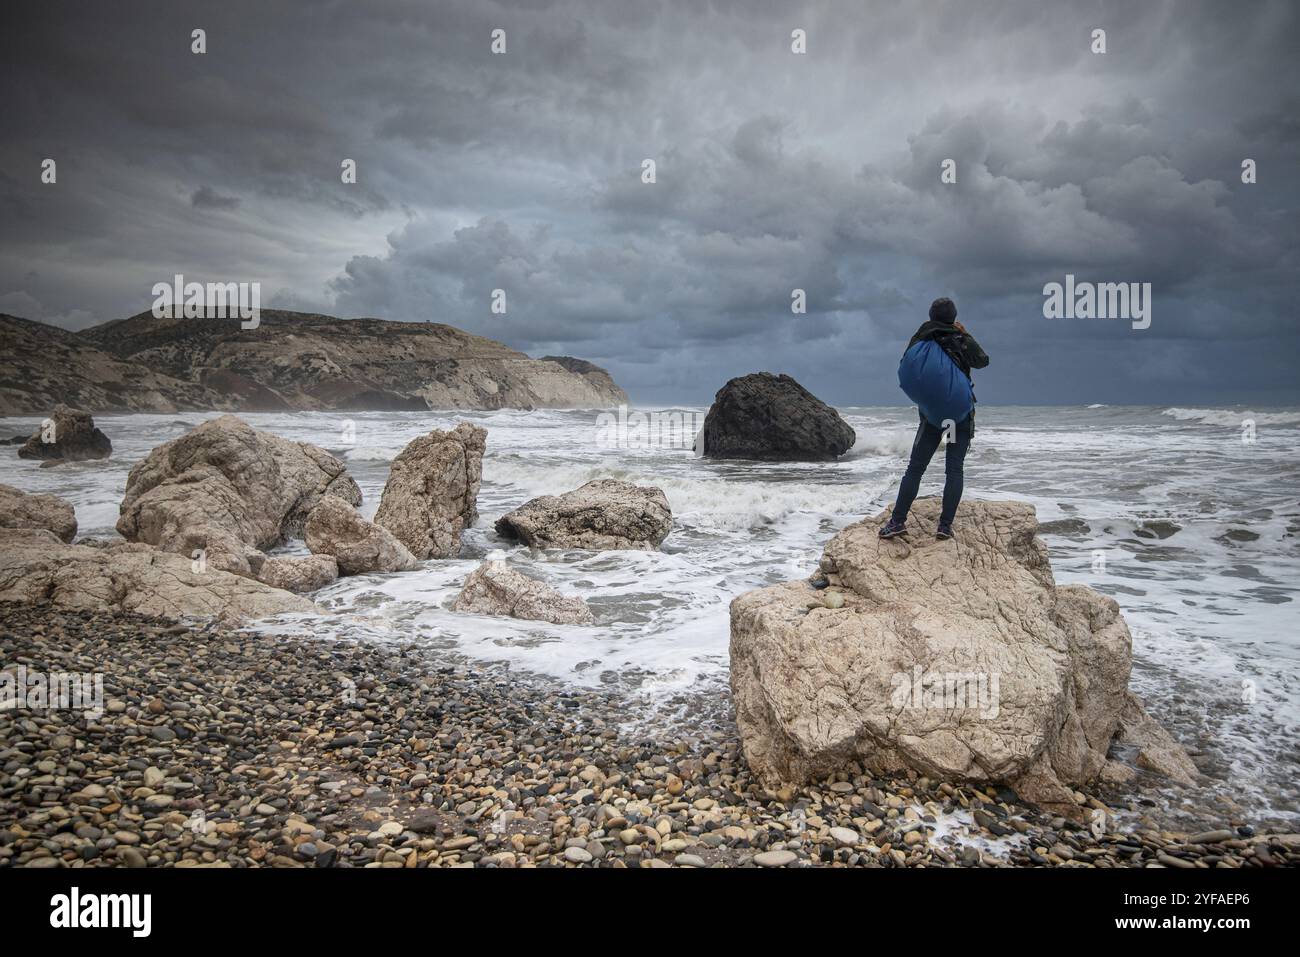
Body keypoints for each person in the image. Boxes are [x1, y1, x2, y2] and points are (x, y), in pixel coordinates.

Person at [879, 297, 989, 541]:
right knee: (954, 470)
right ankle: (944, 526)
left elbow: (906, 364)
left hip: (932, 418)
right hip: (959, 417)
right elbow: (982, 361)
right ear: (954, 317)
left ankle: (897, 521)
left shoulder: (922, 337)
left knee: (915, 469)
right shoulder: (959, 338)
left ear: (931, 317)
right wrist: (965, 334)